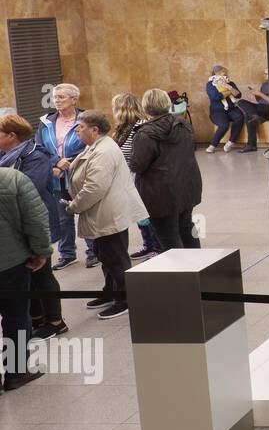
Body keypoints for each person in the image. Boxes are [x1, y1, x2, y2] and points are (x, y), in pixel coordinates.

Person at [60, 110, 149, 320]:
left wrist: (74, 206)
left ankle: (125, 299)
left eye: (80, 128)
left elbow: (94, 188)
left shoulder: (104, 151)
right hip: (102, 212)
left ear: (95, 130)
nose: (77, 132)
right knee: (104, 254)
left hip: (109, 212)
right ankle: (111, 291)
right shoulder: (95, 146)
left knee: (115, 257)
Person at [0, 116, 66, 341]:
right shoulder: (6, 157)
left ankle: (56, 321)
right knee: (30, 276)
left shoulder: (33, 155)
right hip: (17, 227)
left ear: (12, 135)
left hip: (35, 221)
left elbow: (32, 190)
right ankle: (37, 319)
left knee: (43, 274)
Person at [0, 162, 52, 391]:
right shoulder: (12, 179)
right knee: (17, 317)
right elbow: (36, 219)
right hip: (10, 263)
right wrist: (41, 251)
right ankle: (16, 372)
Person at [131, 89, 203, 251]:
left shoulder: (144, 134)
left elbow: (137, 165)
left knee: (168, 236)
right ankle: (199, 268)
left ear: (146, 107)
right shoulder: (184, 125)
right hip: (186, 186)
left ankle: (181, 274)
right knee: (186, 228)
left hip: (159, 194)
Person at [38, 82, 96, 269]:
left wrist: (66, 163)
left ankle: (94, 251)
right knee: (62, 216)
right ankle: (67, 253)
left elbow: (91, 145)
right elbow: (39, 146)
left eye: (61, 97)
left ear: (74, 99)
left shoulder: (86, 118)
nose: (57, 101)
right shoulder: (46, 121)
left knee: (87, 212)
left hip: (80, 173)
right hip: (56, 175)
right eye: (55, 97)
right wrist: (56, 162)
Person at [112, 92, 162, 259]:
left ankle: (156, 246)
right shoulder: (122, 129)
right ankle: (149, 245)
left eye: (115, 107)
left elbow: (140, 154)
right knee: (139, 215)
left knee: (145, 213)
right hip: (128, 177)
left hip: (141, 176)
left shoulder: (140, 127)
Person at [205, 64, 246, 153]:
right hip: (217, 111)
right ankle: (213, 145)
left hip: (231, 109)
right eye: (225, 72)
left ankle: (231, 142)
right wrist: (230, 91)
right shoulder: (210, 84)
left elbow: (238, 94)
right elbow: (216, 97)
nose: (226, 74)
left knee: (240, 117)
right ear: (218, 73)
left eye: (226, 73)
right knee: (224, 125)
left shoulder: (230, 83)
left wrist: (229, 88)